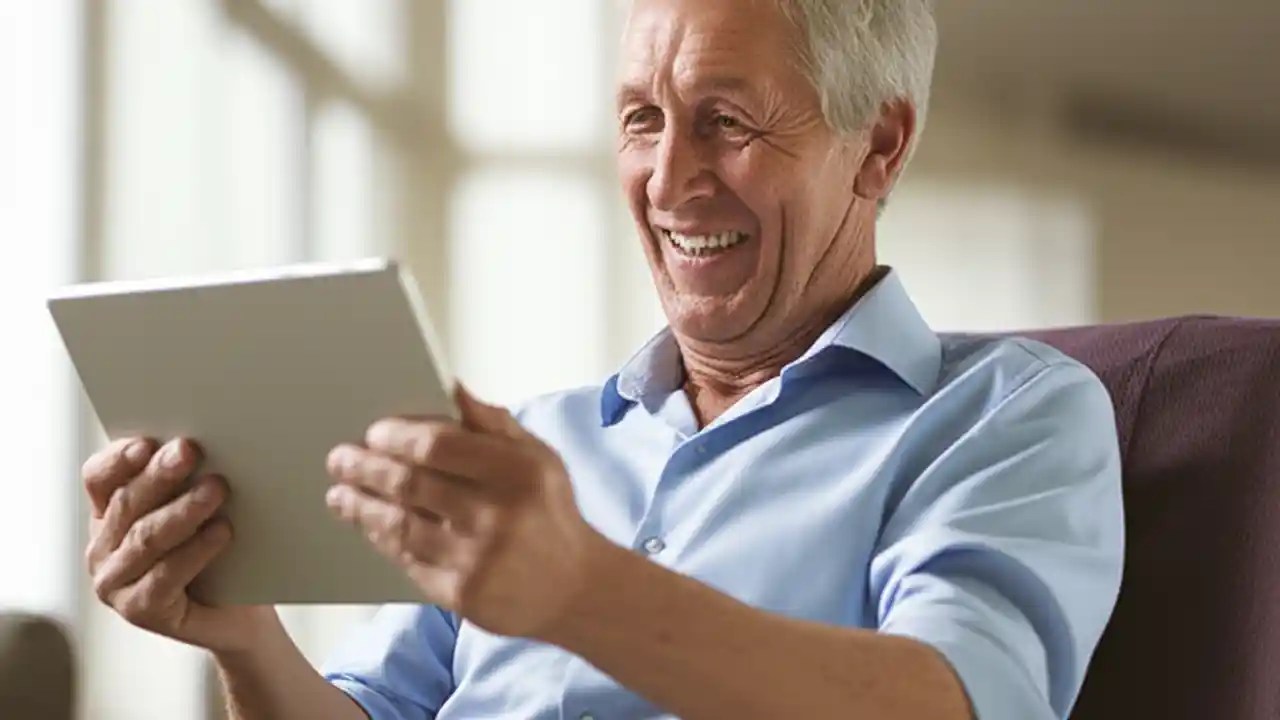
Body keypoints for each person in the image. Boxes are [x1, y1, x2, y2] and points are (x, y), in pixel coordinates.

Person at [80, 0, 1124, 718]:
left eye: (724, 122)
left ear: (879, 147)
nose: (667, 180)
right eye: (640, 119)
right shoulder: (536, 444)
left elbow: (954, 700)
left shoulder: (1006, 416)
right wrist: (242, 637)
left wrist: (576, 589)